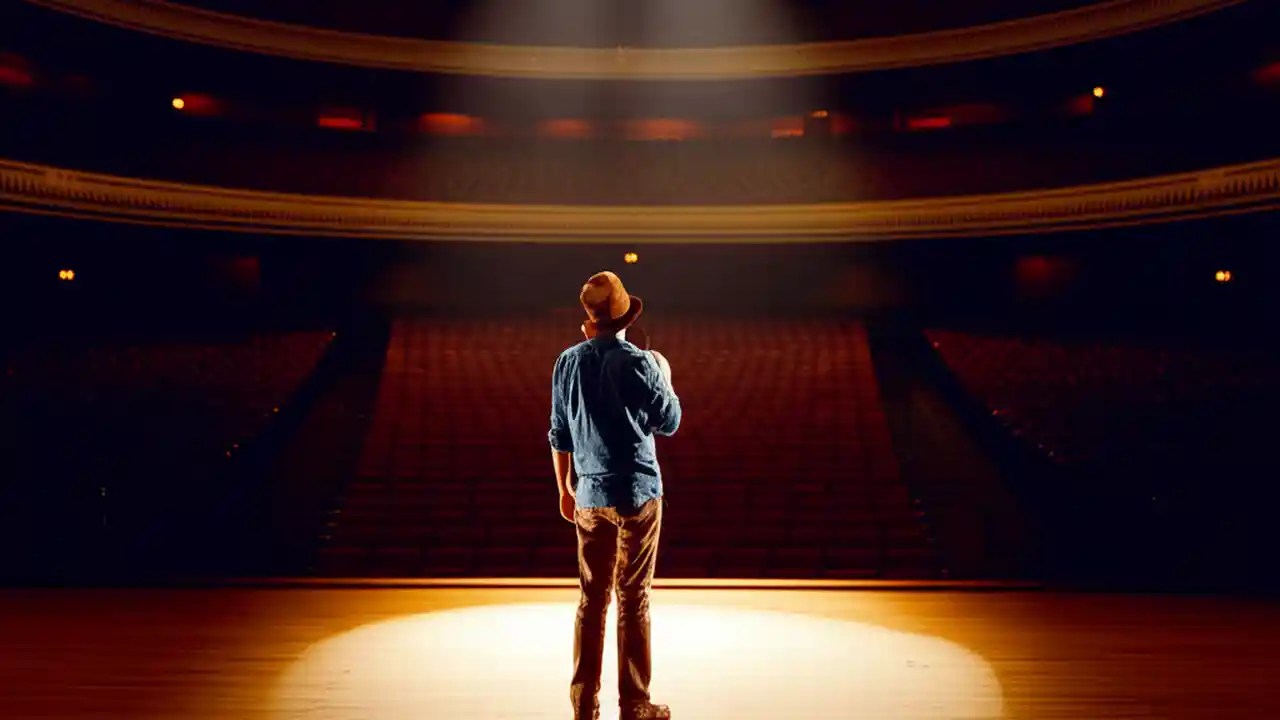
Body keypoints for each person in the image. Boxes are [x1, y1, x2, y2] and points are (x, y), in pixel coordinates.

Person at [549, 270, 681, 720]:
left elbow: (559, 434)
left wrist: (564, 489)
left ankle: (584, 704)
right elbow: (669, 422)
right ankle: (636, 704)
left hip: (587, 494)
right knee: (633, 598)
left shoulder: (566, 363)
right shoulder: (641, 363)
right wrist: (664, 373)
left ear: (588, 322)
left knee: (591, 599)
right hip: (638, 493)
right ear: (624, 320)